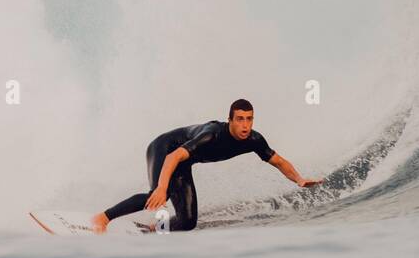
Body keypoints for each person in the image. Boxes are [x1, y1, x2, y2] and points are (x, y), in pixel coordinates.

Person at [91, 98, 320, 232]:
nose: (245, 125)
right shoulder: (211, 135)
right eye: (240, 119)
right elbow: (172, 158)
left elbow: (279, 161)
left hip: (183, 162)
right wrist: (162, 189)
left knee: (188, 222)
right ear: (229, 120)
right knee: (160, 193)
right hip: (165, 148)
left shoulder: (254, 140)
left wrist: (299, 179)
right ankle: (103, 217)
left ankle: (154, 228)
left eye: (249, 119)